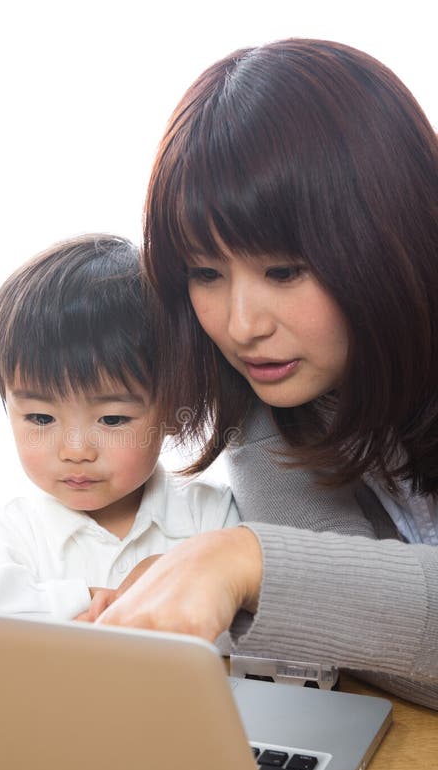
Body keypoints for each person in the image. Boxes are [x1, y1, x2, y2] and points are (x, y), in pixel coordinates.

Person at [95, 39, 438, 709]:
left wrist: (247, 561)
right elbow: (373, 650)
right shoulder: (270, 396)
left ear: (389, 239)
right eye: (206, 273)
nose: (242, 324)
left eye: (284, 271)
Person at [0, 233, 239, 620]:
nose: (75, 450)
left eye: (111, 419)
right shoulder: (8, 532)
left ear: (175, 407)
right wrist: (84, 598)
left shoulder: (210, 517)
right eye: (41, 418)